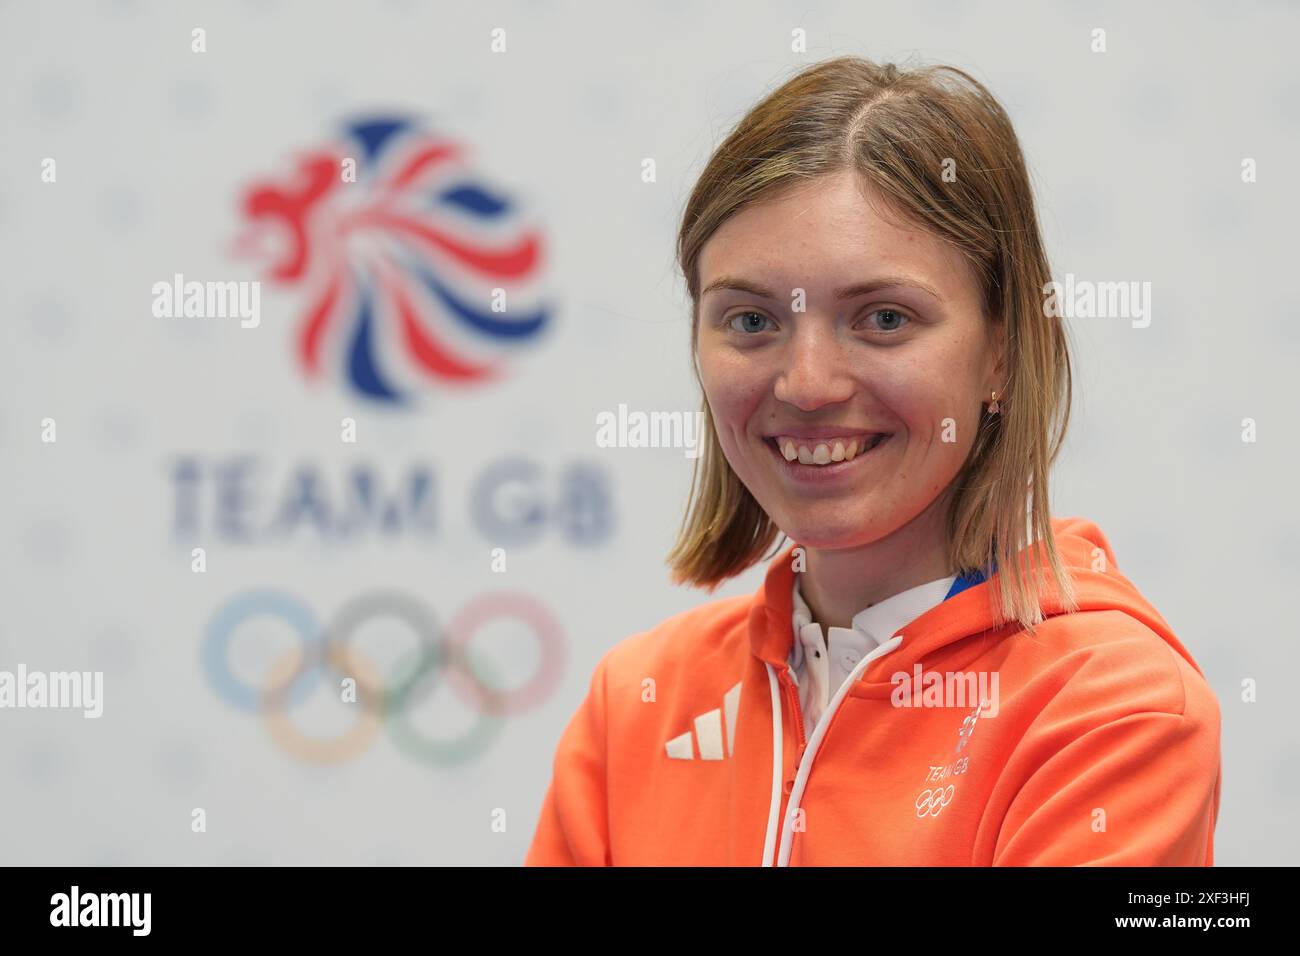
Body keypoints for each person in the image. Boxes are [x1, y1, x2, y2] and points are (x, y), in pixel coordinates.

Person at [525, 56, 1221, 866]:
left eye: (883, 318)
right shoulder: (642, 699)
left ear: (1001, 350)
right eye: (750, 321)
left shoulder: (1113, 711)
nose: (807, 383)